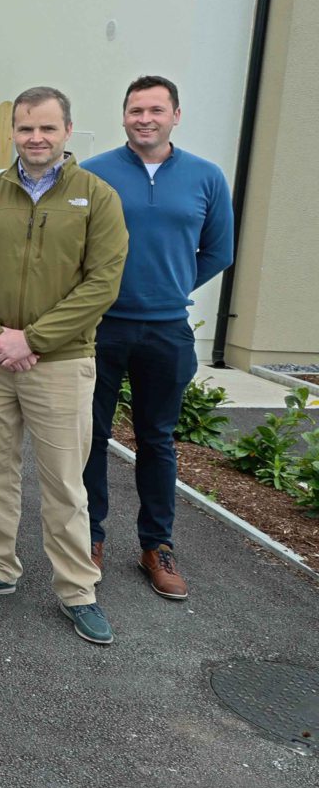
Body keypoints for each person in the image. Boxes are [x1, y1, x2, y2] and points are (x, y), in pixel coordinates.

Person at [0, 86, 127, 646]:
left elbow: (103, 283)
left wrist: (35, 340)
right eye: (26, 128)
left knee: (64, 481)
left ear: (67, 131)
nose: (36, 138)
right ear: (13, 133)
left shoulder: (96, 197)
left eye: (47, 128)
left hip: (59, 361)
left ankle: (77, 589)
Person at [79, 75, 233, 600]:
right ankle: (90, 537)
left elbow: (219, 250)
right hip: (100, 325)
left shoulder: (205, 177)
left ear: (175, 115)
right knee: (91, 436)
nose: (145, 118)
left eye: (155, 110)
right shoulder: (94, 174)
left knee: (157, 440)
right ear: (124, 116)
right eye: (135, 110)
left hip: (167, 329)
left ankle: (156, 545)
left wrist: (170, 286)